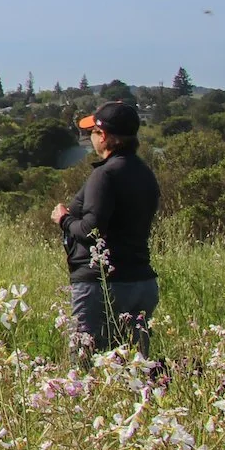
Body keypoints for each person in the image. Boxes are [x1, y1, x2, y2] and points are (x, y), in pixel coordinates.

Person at [50, 101, 159, 359]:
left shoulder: (105, 175)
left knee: (85, 369)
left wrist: (63, 219)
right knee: (132, 366)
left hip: (102, 285)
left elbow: (91, 230)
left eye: (93, 132)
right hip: (141, 281)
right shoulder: (144, 173)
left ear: (105, 136)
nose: (90, 138)